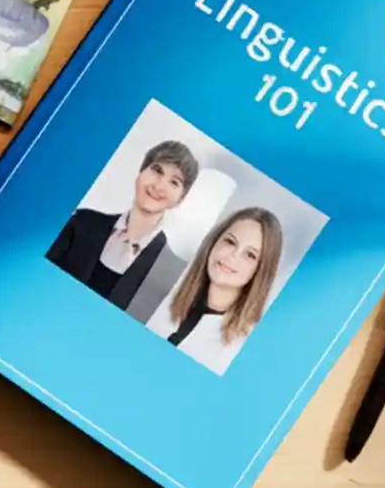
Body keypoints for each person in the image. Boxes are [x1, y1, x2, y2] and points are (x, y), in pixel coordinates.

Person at [46, 141, 199, 310]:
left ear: (181, 198)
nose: (159, 186)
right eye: (157, 170)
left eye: (174, 182)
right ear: (141, 172)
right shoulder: (82, 222)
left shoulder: (169, 270)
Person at [150, 207, 284, 375]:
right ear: (214, 242)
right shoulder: (164, 290)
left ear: (261, 271)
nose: (233, 256)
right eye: (230, 242)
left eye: (250, 255)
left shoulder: (245, 349)